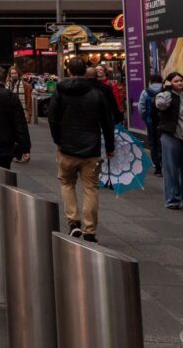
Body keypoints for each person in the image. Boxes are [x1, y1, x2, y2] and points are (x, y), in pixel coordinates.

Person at [48, 57, 117, 242]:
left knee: (66, 183)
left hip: (66, 147)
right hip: (91, 148)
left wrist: (58, 140)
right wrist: (110, 146)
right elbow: (107, 122)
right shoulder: (96, 93)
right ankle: (89, 229)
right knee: (91, 188)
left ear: (69, 71)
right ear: (85, 71)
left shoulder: (60, 91)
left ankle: (73, 222)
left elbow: (52, 117)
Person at [154, 71, 183, 211]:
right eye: (175, 81)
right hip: (170, 134)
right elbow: (160, 105)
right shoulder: (164, 94)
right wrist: (167, 89)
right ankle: (172, 200)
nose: (179, 83)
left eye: (181, 80)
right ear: (169, 83)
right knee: (171, 169)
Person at [138, 73, 165, 176]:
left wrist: (145, 118)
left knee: (153, 144)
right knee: (162, 143)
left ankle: (157, 167)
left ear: (151, 81)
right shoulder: (165, 90)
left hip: (151, 122)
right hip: (164, 122)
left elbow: (141, 108)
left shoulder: (145, 92)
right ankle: (165, 164)